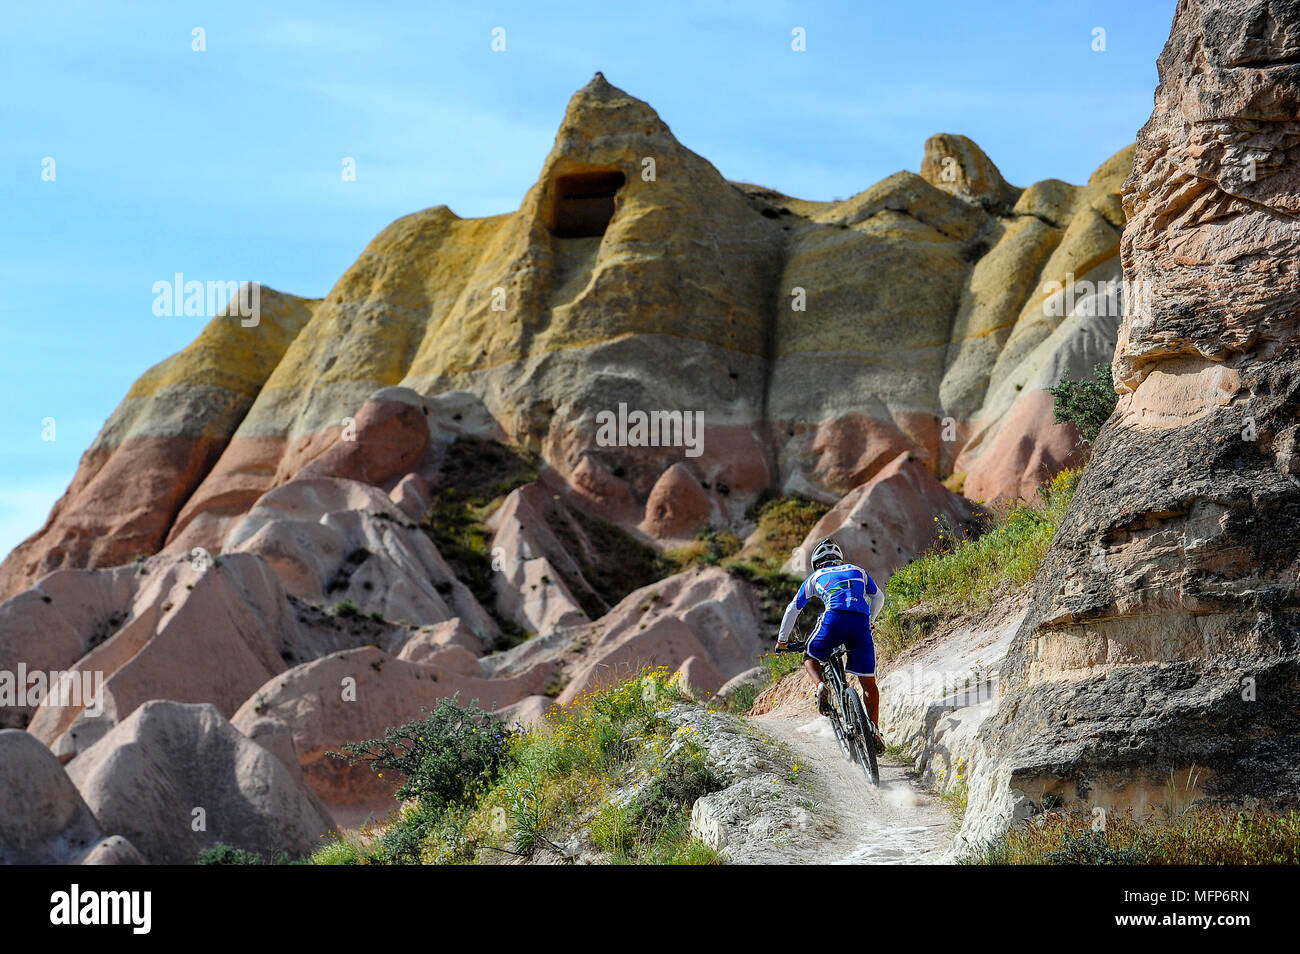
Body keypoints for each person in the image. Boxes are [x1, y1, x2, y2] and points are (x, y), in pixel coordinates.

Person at [776, 537, 884, 750]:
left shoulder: (815, 576)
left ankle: (820, 685)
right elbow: (878, 597)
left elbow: (792, 609)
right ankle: (874, 730)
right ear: (840, 560)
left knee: (810, 655)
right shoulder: (858, 570)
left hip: (834, 618)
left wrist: (782, 641)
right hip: (861, 622)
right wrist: (870, 621)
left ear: (817, 564)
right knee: (868, 683)